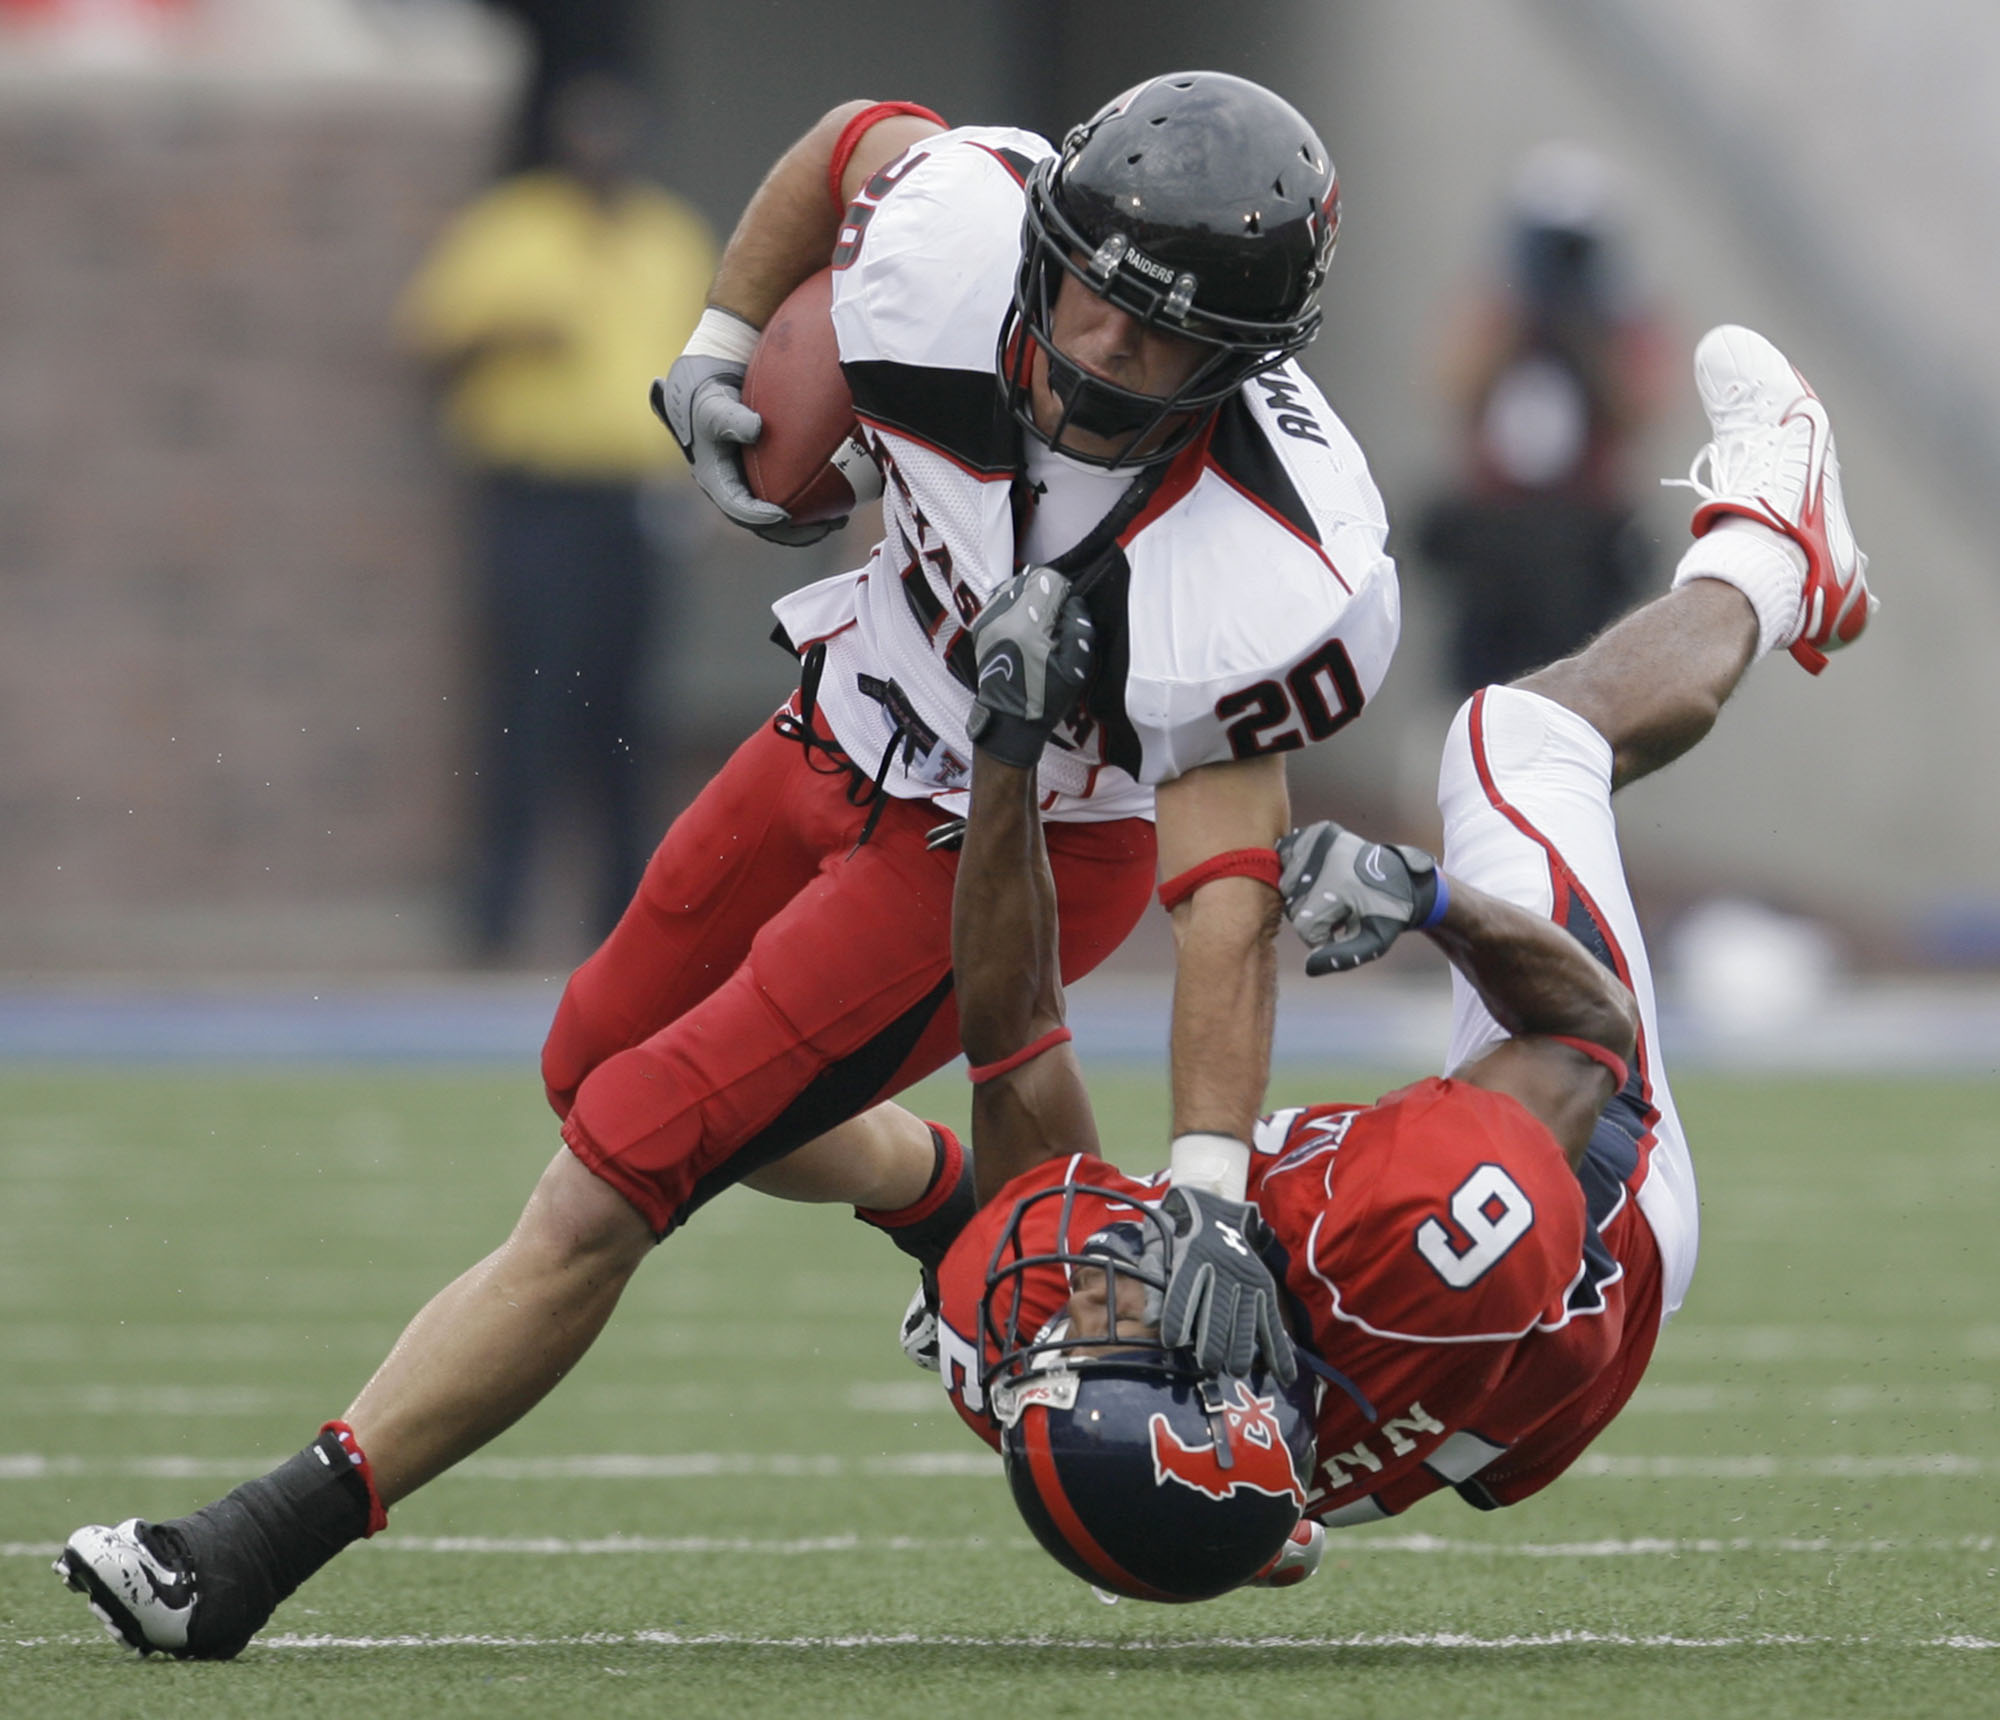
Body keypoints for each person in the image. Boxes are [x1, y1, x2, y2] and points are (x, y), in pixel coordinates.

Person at [53, 71, 1398, 1659]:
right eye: (1099, 297)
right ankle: (964, 1213)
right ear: (1050, 245)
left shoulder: (1269, 560)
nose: (1107, 350)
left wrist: (1209, 1189)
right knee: (592, 1062)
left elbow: (1223, 900)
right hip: (833, 724)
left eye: (1167, 338)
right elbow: (853, 136)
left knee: (616, 1168)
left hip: (1011, 847)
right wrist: (714, 338)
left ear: (1241, 365)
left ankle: (247, 1555)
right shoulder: (958, 236)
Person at [880, 320, 1871, 1598]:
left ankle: (1283, 1510)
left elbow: (1011, 1034)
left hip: (1358, 1409)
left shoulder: (1044, 1363)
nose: (1079, 1293)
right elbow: (1586, 1040)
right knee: (1514, 742)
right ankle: (1781, 551)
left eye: (1064, 1333)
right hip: (1589, 1214)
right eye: (1112, 1323)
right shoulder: (1405, 1252)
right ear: (1213, 1372)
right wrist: (1430, 899)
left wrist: (1003, 746)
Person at [397, 72, 716, 957]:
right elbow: (429, 344)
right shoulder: (512, 228)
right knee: (526, 705)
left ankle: (624, 923)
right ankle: (494, 921)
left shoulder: (670, 237)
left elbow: (710, 376)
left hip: (639, 504)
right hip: (537, 498)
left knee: (628, 714)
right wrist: (508, 335)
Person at [1419, 142, 1672, 693]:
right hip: (1494, 535)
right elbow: (1456, 387)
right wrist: (1522, 305)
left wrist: (1587, 326)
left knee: (1570, 694)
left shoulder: (1626, 323)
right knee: (1472, 695)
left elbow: (1638, 413)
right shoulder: (1495, 306)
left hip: (1580, 547)